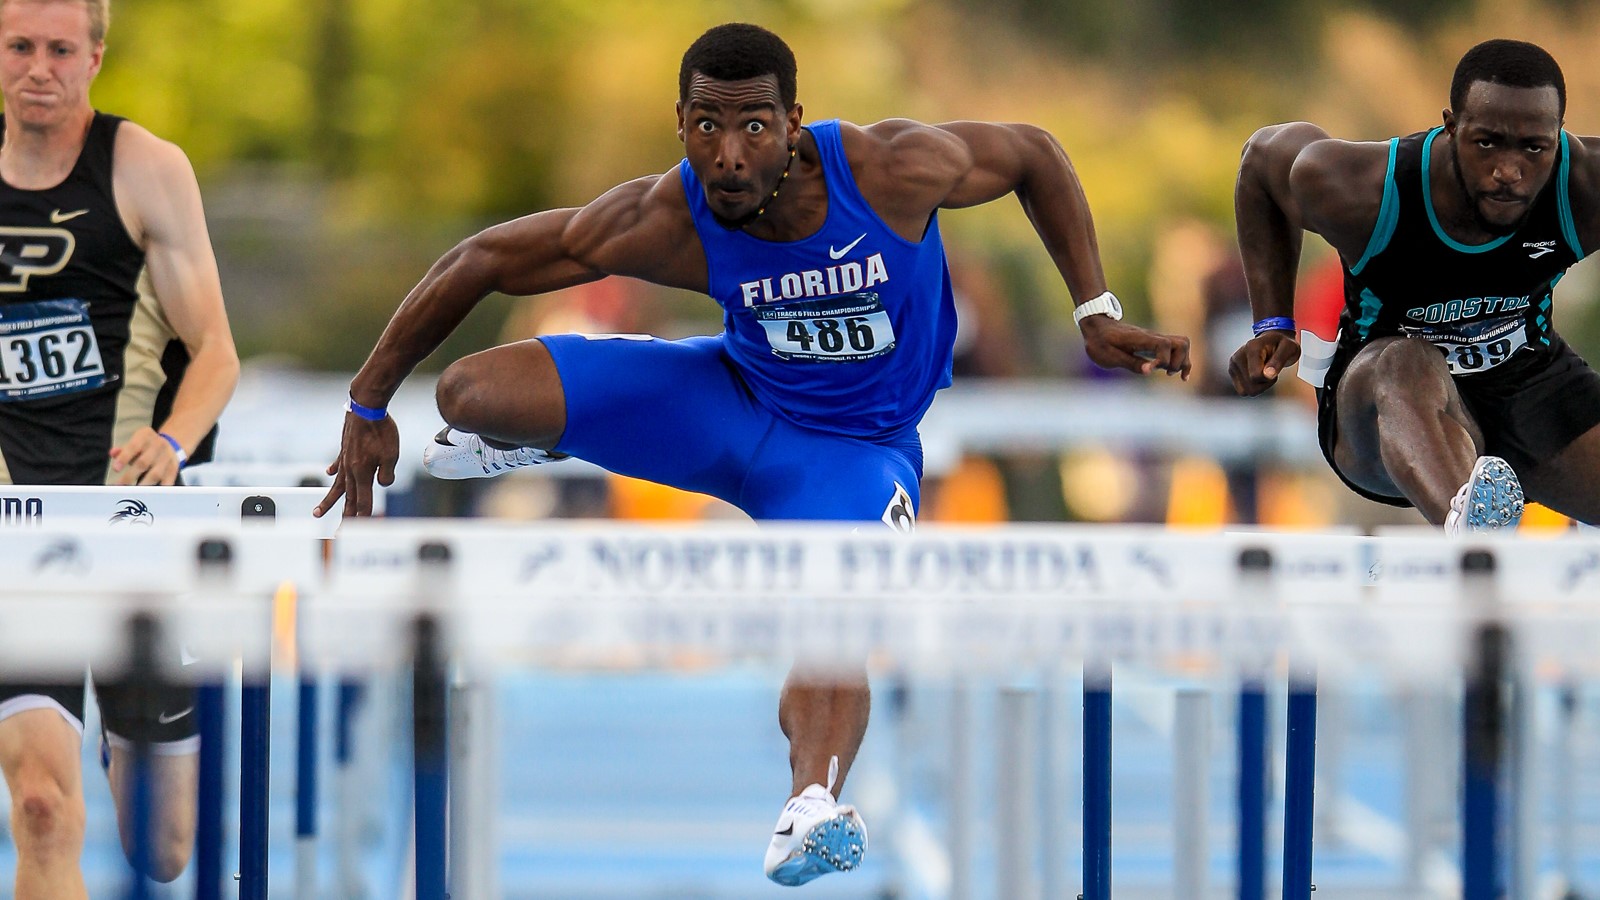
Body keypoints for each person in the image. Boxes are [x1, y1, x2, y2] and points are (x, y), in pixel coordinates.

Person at [316, 22, 1189, 886]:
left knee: (835, 620)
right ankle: (540, 438)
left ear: (794, 124)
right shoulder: (667, 216)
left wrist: (1095, 311)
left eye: (753, 127)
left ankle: (811, 802)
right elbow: (485, 257)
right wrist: (366, 400)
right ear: (681, 126)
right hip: (729, 405)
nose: (728, 154)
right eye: (706, 127)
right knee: (468, 394)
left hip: (850, 454)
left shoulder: (888, 173)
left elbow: (1034, 152)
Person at [0, 0, 239, 893]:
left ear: (94, 57)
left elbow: (216, 352)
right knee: (42, 810)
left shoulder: (144, 169)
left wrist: (174, 440)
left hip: (132, 519)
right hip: (16, 534)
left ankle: (115, 728)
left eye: (60, 49)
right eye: (19, 47)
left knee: (164, 848)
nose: (38, 68)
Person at [1229, 38, 1600, 532]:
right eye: (1487, 142)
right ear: (1451, 127)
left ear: (1557, 138)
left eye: (1534, 148)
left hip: (1527, 385)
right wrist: (1272, 322)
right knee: (1407, 360)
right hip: (1386, 406)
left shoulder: (1584, 186)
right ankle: (1474, 530)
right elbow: (1260, 158)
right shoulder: (1366, 188)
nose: (1508, 171)